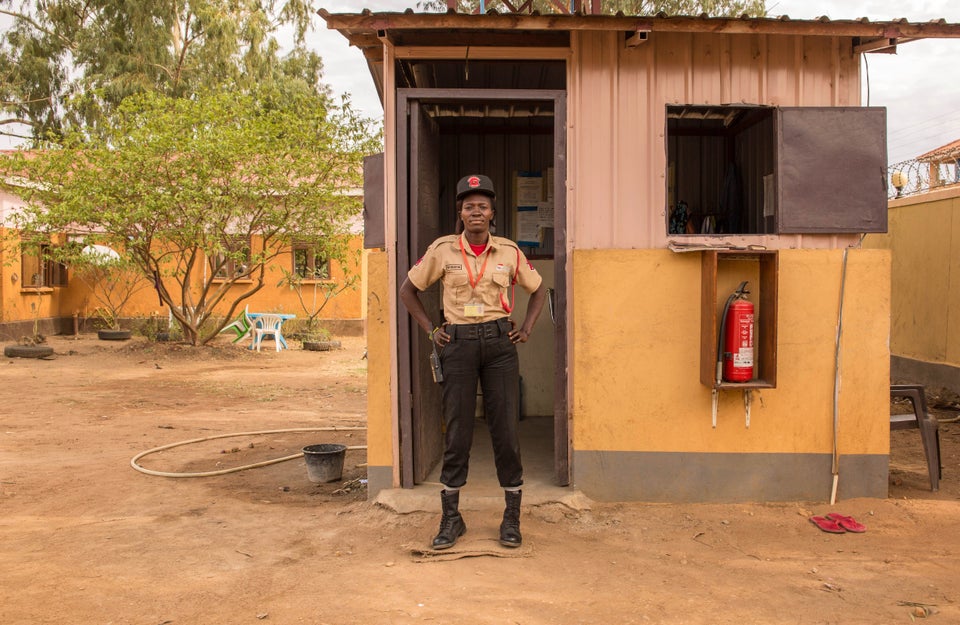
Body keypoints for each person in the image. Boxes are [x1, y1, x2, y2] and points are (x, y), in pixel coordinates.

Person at [400, 173, 547, 550]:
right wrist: (432, 330)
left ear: (492, 212)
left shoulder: (510, 252)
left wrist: (527, 328)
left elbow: (538, 288)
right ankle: (451, 519)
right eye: (469, 206)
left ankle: (511, 518)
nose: (476, 212)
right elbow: (408, 290)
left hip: (499, 346)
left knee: (506, 433)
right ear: (461, 213)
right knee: (458, 432)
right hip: (459, 345)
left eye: (482, 206)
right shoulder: (442, 250)